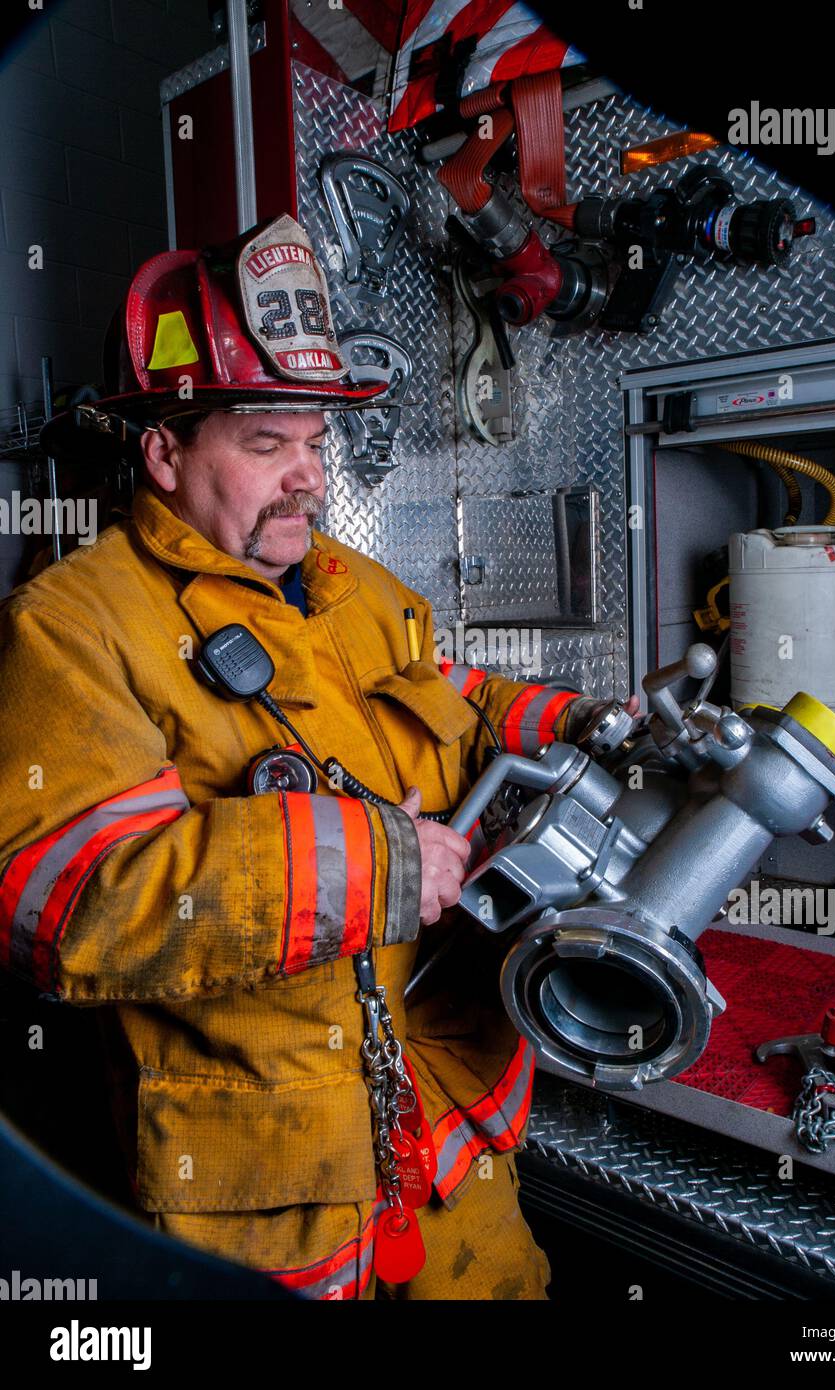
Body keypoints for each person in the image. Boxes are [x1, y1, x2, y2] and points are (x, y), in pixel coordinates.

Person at [0, 214, 632, 1300]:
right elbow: (61, 904)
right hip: (271, 1203)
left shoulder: (355, 586)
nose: (305, 477)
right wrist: (370, 866)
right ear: (164, 450)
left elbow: (462, 703)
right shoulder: (73, 628)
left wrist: (582, 722)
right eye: (264, 443)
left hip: (454, 1147)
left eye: (314, 442)